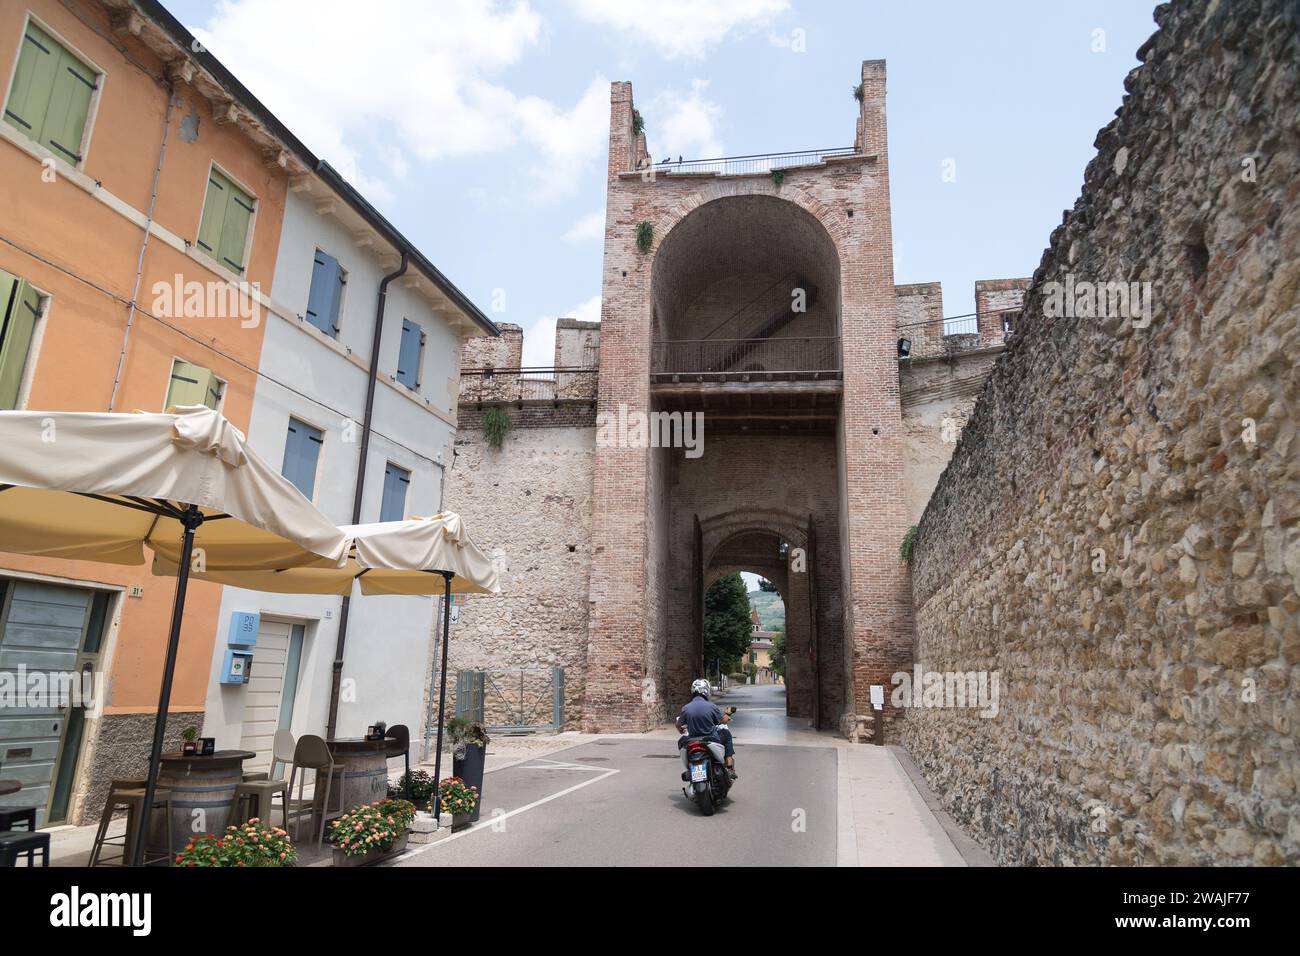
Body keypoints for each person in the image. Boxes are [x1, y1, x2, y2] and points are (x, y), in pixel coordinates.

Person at [675, 678, 737, 779]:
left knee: (681, 742)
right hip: (710, 738)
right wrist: (727, 716)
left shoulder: (686, 708)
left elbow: (678, 724)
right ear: (706, 691)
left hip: (692, 740)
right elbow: (724, 720)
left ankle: (690, 767)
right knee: (726, 734)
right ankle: (729, 767)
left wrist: (681, 730)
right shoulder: (711, 706)